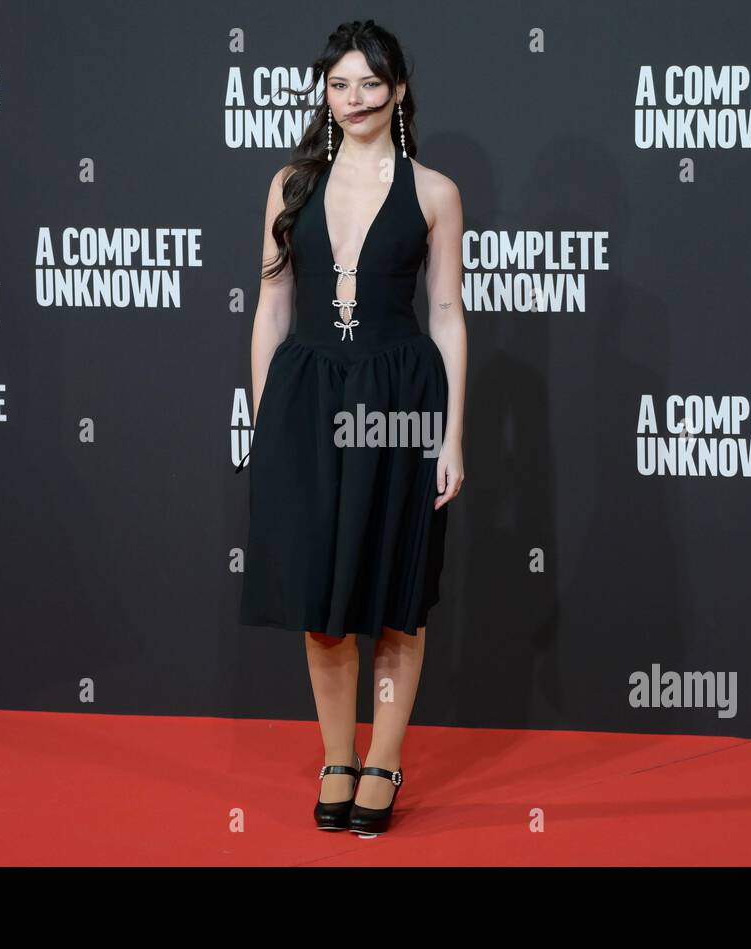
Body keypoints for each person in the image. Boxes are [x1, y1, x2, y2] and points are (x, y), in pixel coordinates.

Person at [238, 20, 467, 836]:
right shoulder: (290, 186)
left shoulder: (433, 191)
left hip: (400, 399)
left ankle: (385, 759)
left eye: (371, 83)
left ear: (398, 90)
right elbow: (270, 310)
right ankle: (338, 754)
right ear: (324, 93)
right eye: (340, 85)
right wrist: (269, 422)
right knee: (321, 599)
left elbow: (445, 313)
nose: (355, 99)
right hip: (305, 402)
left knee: (396, 597)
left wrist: (452, 437)